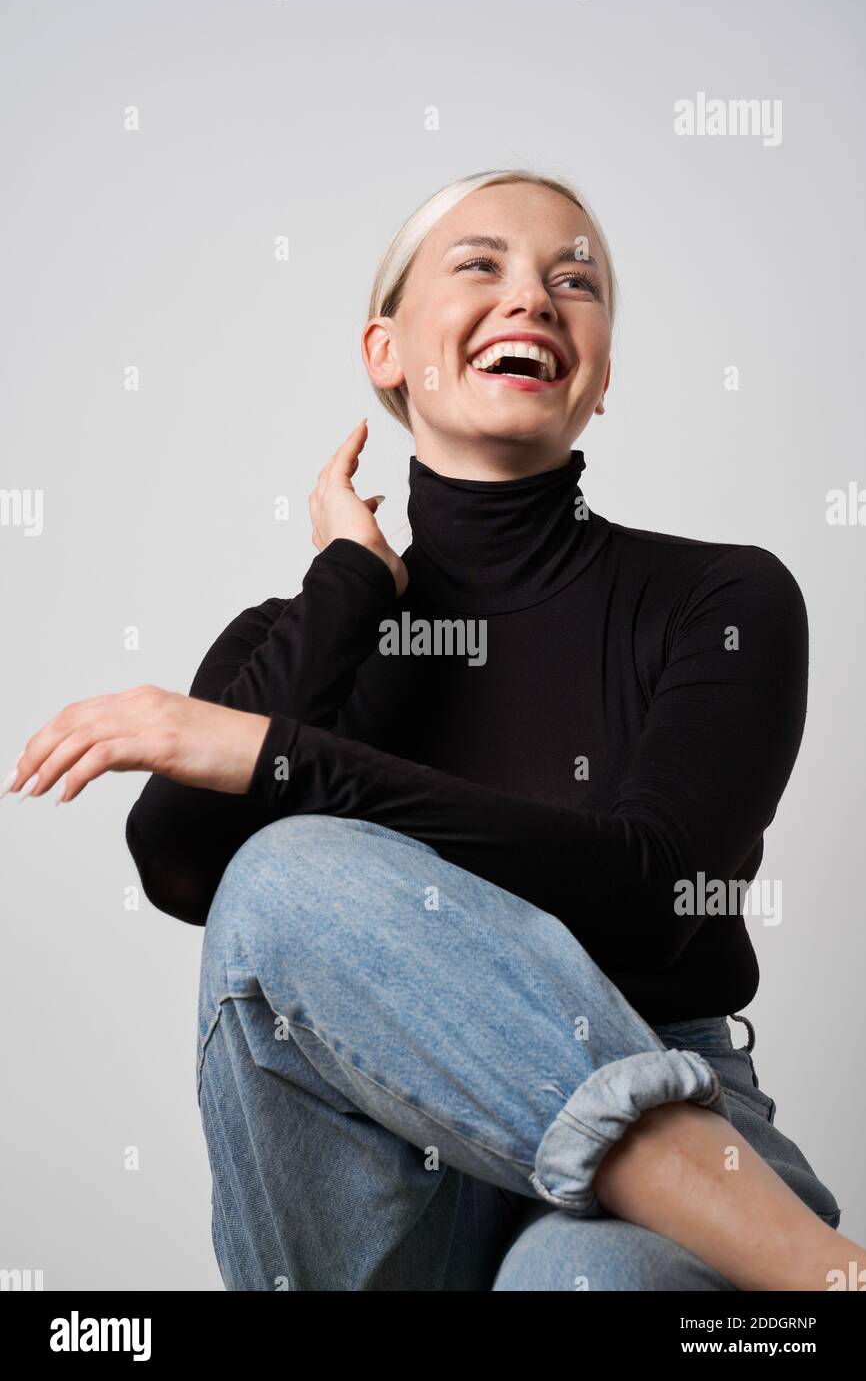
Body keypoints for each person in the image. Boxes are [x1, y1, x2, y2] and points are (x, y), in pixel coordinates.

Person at [7, 169, 861, 1291]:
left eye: (574, 280)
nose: (536, 299)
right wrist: (349, 582)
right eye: (480, 265)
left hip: (678, 1119)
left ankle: (804, 1267)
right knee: (282, 873)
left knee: (581, 1283)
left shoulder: (721, 599)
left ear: (598, 375)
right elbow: (185, 867)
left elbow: (654, 891)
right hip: (370, 1167)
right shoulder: (299, 634)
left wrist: (277, 759)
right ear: (385, 351)